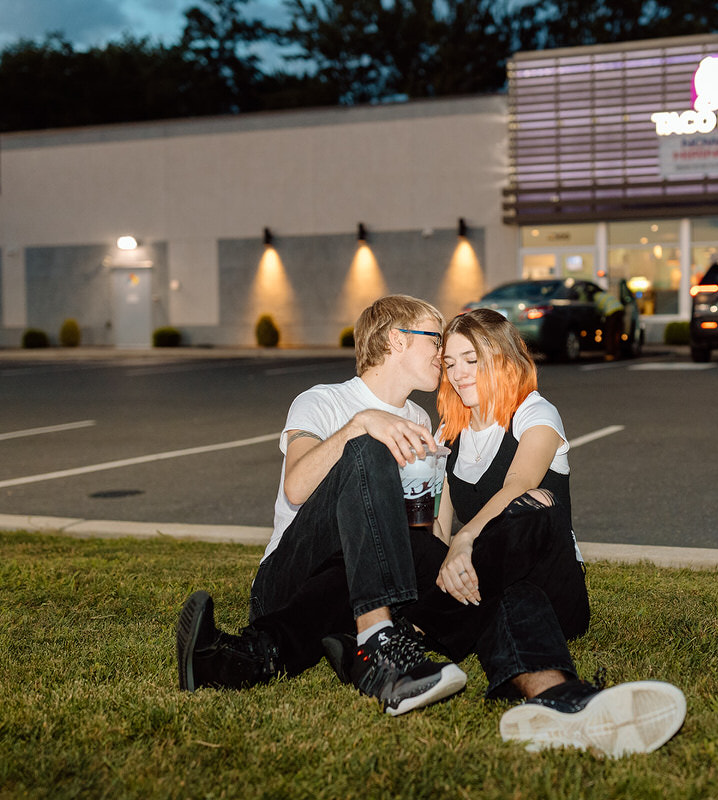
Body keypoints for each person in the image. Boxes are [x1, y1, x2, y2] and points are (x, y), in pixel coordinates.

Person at [328, 308, 687, 757]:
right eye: (450, 362)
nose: (457, 374)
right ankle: (564, 703)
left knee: (529, 508)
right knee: (496, 589)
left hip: (554, 582)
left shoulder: (534, 412)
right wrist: (441, 548)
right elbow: (438, 525)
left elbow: (519, 482)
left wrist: (464, 541)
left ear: (499, 357)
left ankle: (420, 630)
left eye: (470, 359)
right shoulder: (451, 431)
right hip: (488, 585)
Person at [175, 294, 466, 716]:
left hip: (365, 580)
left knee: (452, 564)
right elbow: (296, 487)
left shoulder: (420, 420)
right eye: (434, 339)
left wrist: (448, 500)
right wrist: (360, 426)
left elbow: (424, 534)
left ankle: (252, 657)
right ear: (396, 340)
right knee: (367, 450)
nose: (443, 353)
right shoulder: (322, 401)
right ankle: (376, 646)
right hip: (292, 577)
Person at [595, 281, 626, 360]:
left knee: (609, 333)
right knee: (617, 332)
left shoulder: (595, 297)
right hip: (620, 309)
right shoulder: (605, 295)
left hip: (611, 312)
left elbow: (597, 310)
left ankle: (610, 353)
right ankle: (618, 351)